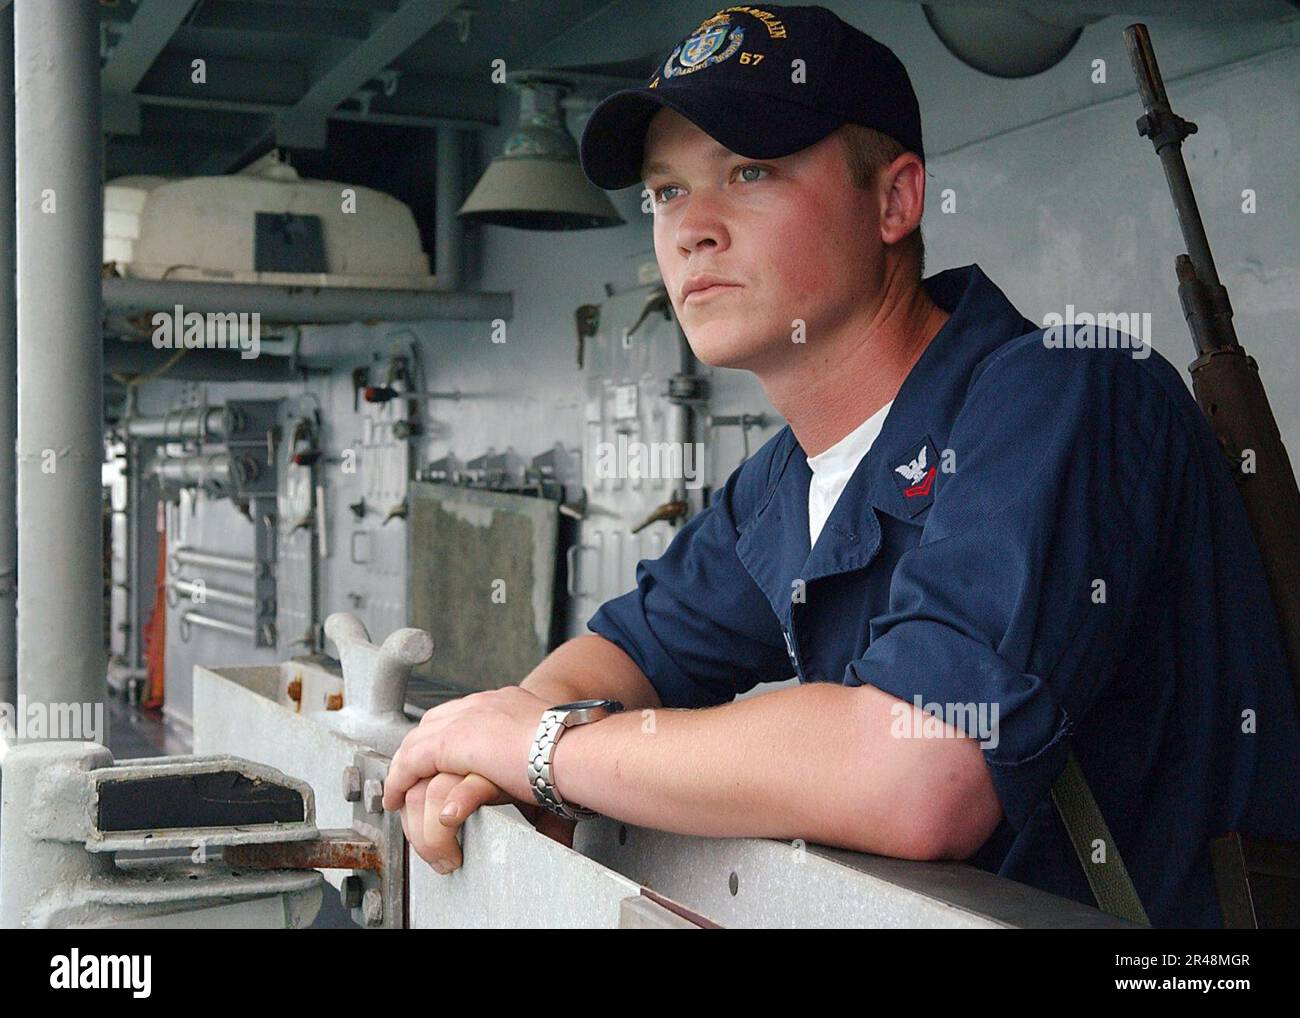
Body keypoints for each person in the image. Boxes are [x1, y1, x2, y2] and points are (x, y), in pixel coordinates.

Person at [381, 4, 1300, 927]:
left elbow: (920, 772)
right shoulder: (787, 481)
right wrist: (495, 752)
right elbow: (627, 653)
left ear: (895, 201)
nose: (690, 230)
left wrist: (544, 751)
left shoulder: (1073, 390)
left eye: (749, 172)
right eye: (666, 192)